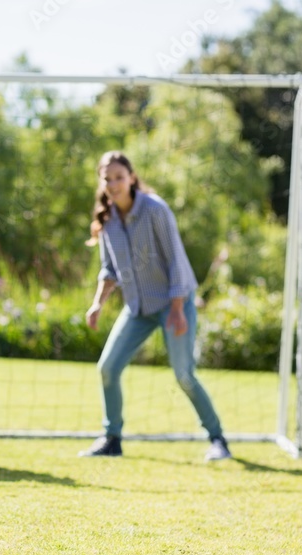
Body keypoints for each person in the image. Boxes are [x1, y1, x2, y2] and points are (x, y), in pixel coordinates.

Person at [80, 151, 230, 462]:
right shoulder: (107, 221)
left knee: (184, 374)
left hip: (174, 303)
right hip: (137, 309)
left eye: (119, 177)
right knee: (107, 368)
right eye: (107, 179)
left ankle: (218, 440)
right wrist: (97, 304)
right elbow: (109, 270)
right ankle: (112, 438)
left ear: (131, 178)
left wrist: (177, 308)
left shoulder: (155, 210)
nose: (113, 184)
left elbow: (176, 260)